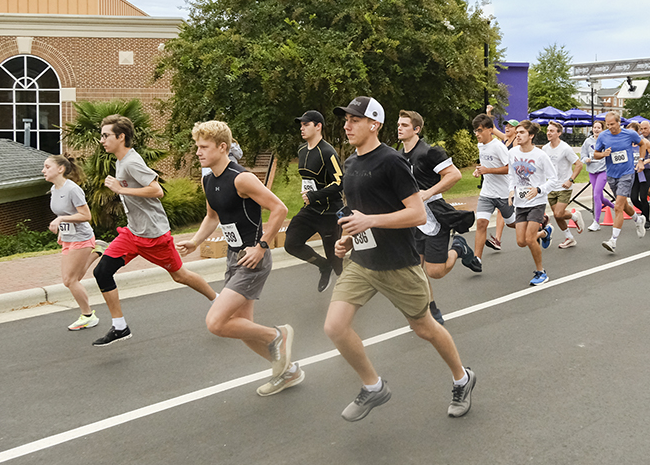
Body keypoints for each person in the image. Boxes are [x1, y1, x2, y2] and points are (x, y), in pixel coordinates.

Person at [327, 96, 475, 421]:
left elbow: (418, 214)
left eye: (354, 119)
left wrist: (371, 221)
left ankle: (462, 379)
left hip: (397, 263)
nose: (347, 125)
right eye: (346, 119)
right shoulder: (351, 165)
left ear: (374, 124)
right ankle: (373, 386)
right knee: (335, 326)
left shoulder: (391, 162)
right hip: (362, 263)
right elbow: (356, 213)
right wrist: (346, 238)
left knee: (425, 328)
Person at [176, 121, 299, 396]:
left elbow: (279, 208)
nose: (198, 152)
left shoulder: (241, 178)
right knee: (244, 329)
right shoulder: (208, 179)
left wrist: (262, 246)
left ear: (222, 147)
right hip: (234, 258)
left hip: (253, 258)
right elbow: (212, 217)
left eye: (204, 147)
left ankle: (278, 335)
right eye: (197, 146)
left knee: (216, 323)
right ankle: (288, 371)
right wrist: (196, 241)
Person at [90, 114, 218, 347]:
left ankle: (217, 300)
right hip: (133, 233)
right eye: (102, 136)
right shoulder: (121, 160)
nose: (102, 140)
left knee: (180, 275)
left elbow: (156, 190)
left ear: (121, 137)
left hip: (154, 236)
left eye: (106, 135)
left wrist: (121, 189)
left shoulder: (131, 162)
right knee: (102, 272)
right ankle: (120, 327)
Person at [398, 109, 479, 323]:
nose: (399, 128)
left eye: (405, 125)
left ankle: (458, 248)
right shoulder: (398, 156)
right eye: (399, 124)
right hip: (412, 219)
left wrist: (429, 192)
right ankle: (430, 308)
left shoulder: (429, 152)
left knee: (435, 271)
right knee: (416, 269)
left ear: (416, 129)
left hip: (434, 215)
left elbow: (455, 174)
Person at [284, 110, 345, 292]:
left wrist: (314, 195)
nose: (301, 128)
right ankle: (322, 266)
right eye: (301, 125)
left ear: (318, 126)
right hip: (310, 211)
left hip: (330, 212)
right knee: (291, 243)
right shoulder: (302, 150)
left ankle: (347, 294)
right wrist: (309, 195)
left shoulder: (327, 152)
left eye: (306, 124)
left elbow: (340, 181)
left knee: (336, 261)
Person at [42, 154, 99, 330]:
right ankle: (96, 252)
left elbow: (86, 216)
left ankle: (88, 315)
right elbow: (64, 213)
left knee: (69, 280)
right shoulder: (54, 190)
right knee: (74, 279)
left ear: (61, 169)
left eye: (47, 167)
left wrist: (61, 220)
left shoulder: (72, 189)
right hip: (68, 238)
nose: (43, 170)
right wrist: (62, 229)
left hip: (81, 237)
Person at [592, 110, 650, 253]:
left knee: (618, 206)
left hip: (627, 173)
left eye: (612, 124)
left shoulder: (629, 134)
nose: (610, 127)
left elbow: (642, 144)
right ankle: (638, 219)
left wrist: (641, 161)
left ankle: (613, 240)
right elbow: (595, 154)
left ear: (619, 123)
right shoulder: (603, 136)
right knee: (623, 204)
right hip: (612, 174)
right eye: (608, 125)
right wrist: (603, 154)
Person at [510, 120, 560, 285]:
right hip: (520, 201)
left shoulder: (540, 155)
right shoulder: (513, 152)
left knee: (530, 239)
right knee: (521, 241)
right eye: (517, 132)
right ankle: (546, 232)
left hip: (537, 201)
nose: (518, 135)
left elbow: (554, 180)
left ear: (531, 135)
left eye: (522, 132)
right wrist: (510, 190)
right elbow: (511, 175)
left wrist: (539, 190)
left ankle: (541, 272)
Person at [472, 113, 514, 264]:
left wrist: (487, 170)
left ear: (490, 130)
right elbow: (486, 166)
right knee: (481, 223)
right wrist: (479, 171)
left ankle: (540, 231)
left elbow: (509, 168)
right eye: (475, 131)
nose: (477, 134)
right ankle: (477, 259)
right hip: (487, 193)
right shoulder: (480, 145)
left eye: (479, 130)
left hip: (503, 194)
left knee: (512, 224)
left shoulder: (498, 147)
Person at [543, 120, 585, 249]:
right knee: (557, 215)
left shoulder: (565, 148)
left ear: (559, 133)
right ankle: (570, 238)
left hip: (564, 186)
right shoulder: (545, 148)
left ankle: (574, 216)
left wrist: (570, 180)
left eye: (551, 131)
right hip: (550, 186)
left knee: (558, 214)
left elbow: (579, 164)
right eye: (548, 130)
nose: (548, 133)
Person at [580, 120, 608, 230]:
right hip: (592, 171)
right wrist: (585, 159)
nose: (596, 129)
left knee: (596, 195)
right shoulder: (588, 141)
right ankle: (616, 207)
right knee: (600, 196)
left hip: (603, 170)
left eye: (598, 128)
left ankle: (596, 222)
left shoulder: (606, 140)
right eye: (594, 127)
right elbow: (583, 155)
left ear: (602, 129)